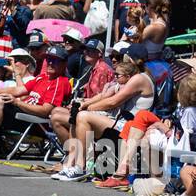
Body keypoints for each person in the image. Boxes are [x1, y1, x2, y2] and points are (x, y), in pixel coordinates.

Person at [53, 51, 156, 182]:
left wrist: (87, 108)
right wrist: (82, 104)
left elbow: (113, 101)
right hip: (120, 122)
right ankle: (72, 163)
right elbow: (103, 96)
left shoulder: (139, 78)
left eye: (118, 57)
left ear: (129, 59)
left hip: (132, 127)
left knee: (83, 116)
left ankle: (81, 167)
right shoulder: (126, 79)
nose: (114, 60)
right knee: (76, 113)